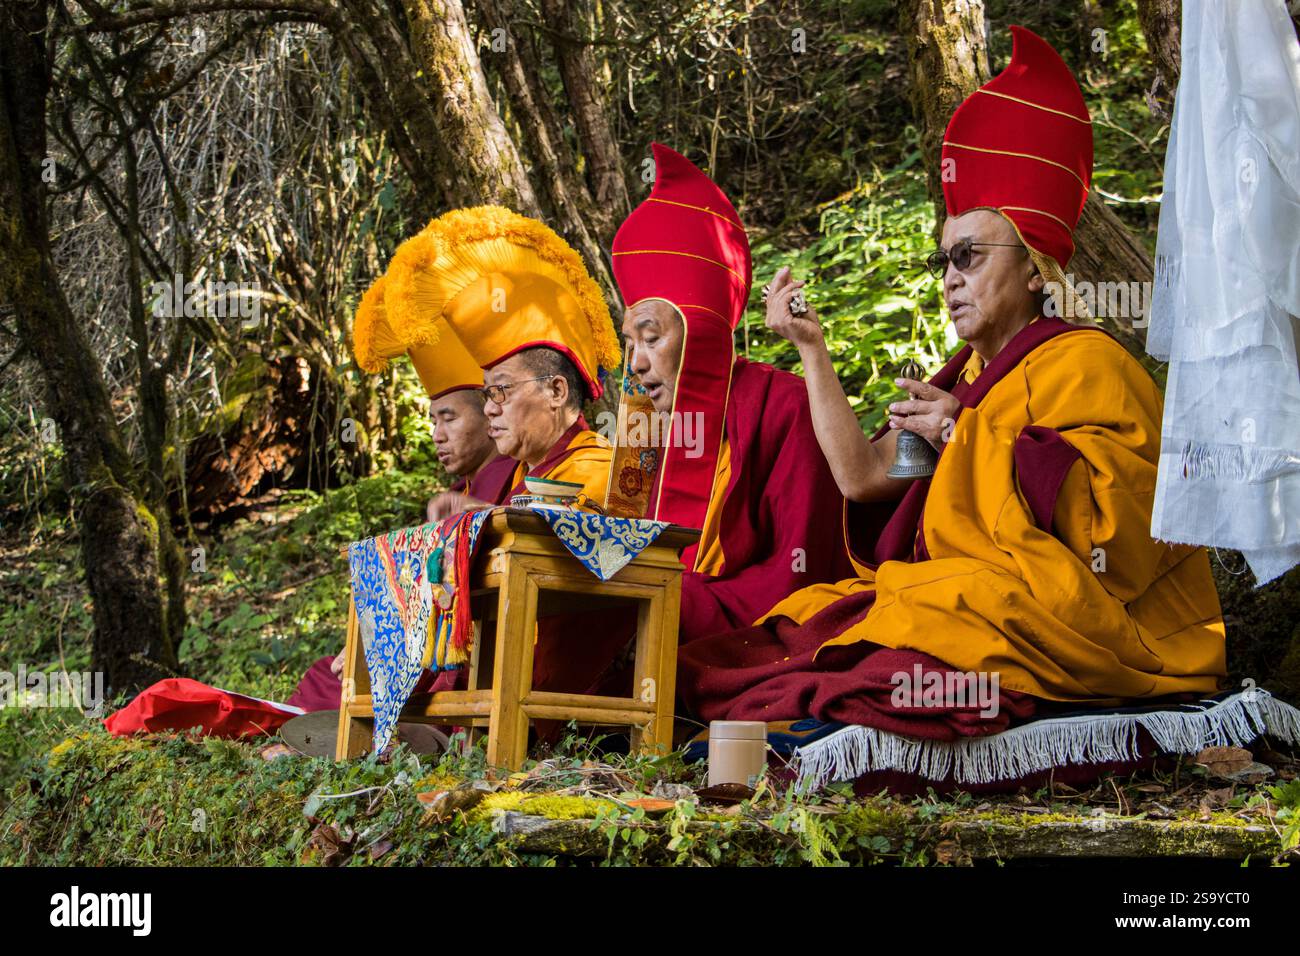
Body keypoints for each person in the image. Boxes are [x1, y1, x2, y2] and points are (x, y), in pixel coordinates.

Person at [675, 27, 1226, 744]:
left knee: (896, 636)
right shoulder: (965, 378)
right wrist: (811, 349)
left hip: (1095, 617)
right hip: (973, 591)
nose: (950, 281)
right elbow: (863, 477)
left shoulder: (1089, 363)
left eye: (968, 256)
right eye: (943, 262)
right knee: (811, 616)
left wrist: (962, 435)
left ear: (1035, 269)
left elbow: (1121, 541)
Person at [610, 143, 854, 643]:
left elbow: (800, 575)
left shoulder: (785, 407)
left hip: (749, 624)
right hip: (662, 605)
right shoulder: (643, 423)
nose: (636, 362)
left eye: (652, 338)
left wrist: (669, 595)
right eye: (631, 342)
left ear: (697, 332)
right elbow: (616, 547)